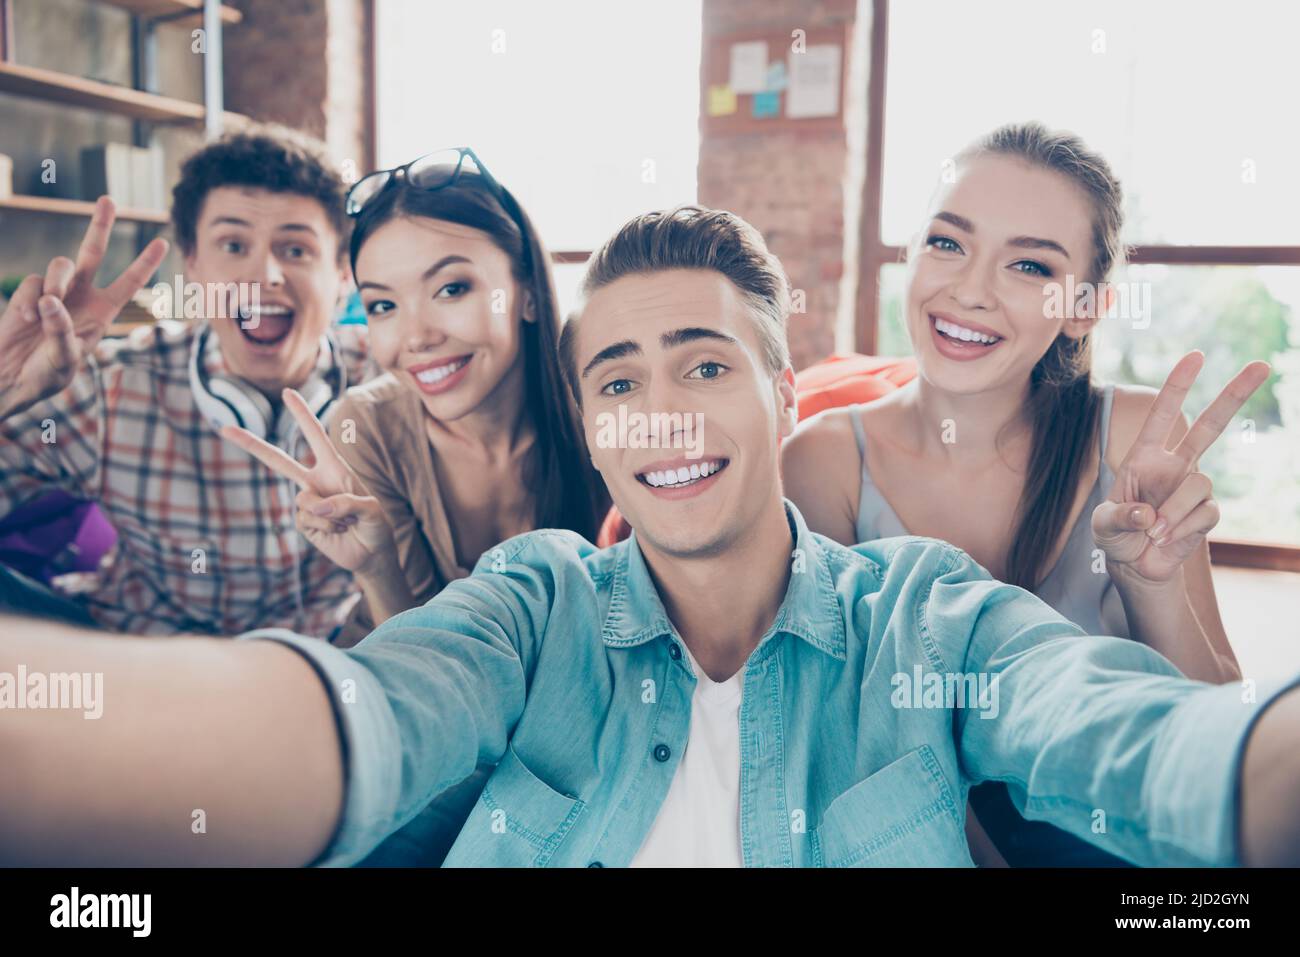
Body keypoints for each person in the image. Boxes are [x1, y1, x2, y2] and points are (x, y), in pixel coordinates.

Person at [1, 205, 1297, 868]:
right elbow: (346, 718)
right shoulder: (534, 601)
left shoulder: (927, 616)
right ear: (588, 417)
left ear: (785, 393)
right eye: (618, 380)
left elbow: (1165, 747)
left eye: (704, 366)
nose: (662, 413)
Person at [781, 123, 1269, 866]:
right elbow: (828, 740)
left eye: (1030, 266)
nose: (970, 290)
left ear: (1084, 308)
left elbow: (1211, 733)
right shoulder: (821, 463)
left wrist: (1149, 582)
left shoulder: (1131, 439)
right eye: (947, 243)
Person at [0, 125, 373, 638]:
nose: (266, 274)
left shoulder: (390, 382)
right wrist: (4, 387)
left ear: (343, 275)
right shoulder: (111, 388)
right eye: (234, 244)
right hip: (146, 662)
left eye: (296, 250)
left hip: (321, 675)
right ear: (193, 266)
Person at [220, 148, 608, 639]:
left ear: (527, 290)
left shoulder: (601, 413)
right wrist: (376, 564)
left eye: (450, 289)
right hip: (408, 677)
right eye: (383, 305)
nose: (416, 336)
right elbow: (422, 662)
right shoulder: (368, 427)